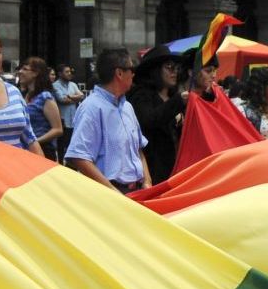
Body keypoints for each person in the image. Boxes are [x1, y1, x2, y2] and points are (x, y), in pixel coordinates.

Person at [65, 48, 150, 193]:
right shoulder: (91, 107)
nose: (134, 74)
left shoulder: (127, 107)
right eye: (132, 69)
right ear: (119, 73)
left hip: (136, 191)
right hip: (108, 194)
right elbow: (79, 157)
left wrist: (147, 181)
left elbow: (138, 149)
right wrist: (111, 190)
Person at [127, 47, 183, 181]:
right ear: (156, 70)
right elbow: (149, 120)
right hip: (152, 168)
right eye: (169, 67)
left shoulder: (173, 96)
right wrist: (177, 102)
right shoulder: (141, 94)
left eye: (176, 68)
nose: (174, 72)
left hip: (175, 167)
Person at [20, 57, 65, 160]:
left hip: (43, 151)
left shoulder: (45, 97)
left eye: (25, 69)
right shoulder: (23, 95)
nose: (20, 72)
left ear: (35, 73)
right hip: (25, 150)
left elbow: (58, 129)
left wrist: (35, 142)